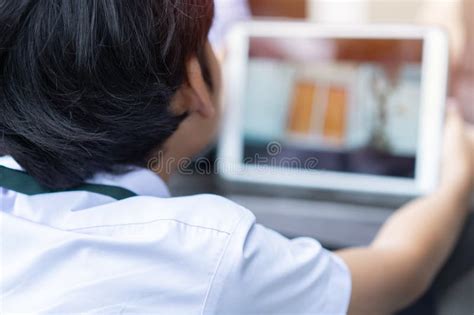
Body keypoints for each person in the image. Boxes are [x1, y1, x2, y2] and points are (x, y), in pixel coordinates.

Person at [0, 1, 472, 314]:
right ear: (194, 86)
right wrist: (456, 179)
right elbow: (399, 269)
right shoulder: (209, 249)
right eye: (210, 43)